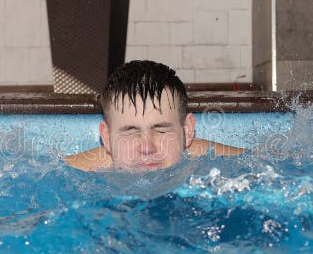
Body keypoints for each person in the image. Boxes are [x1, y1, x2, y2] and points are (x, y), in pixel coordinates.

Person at [65, 60, 244, 172]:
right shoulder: (75, 173)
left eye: (161, 130)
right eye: (130, 131)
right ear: (107, 137)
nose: (147, 147)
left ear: (187, 131)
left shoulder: (220, 165)